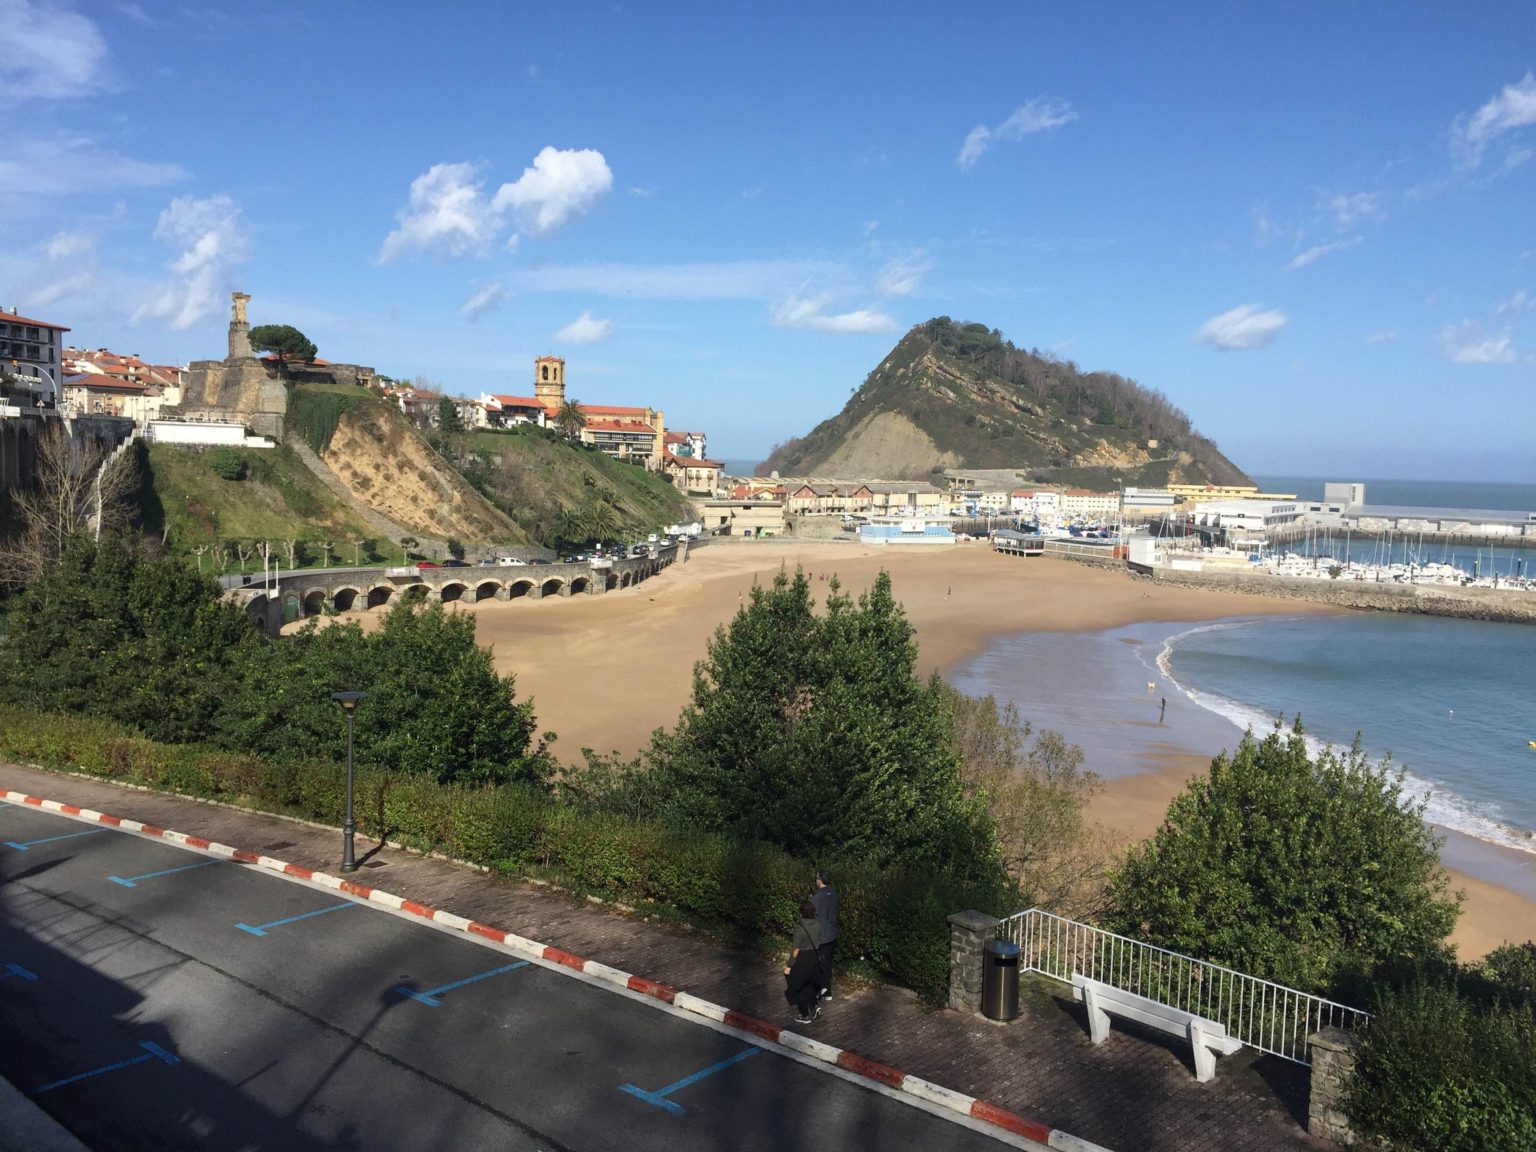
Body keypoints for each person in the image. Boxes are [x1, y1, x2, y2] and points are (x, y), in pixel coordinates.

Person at [783, 898, 822, 1023]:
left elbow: (795, 950)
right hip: (814, 958)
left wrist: (789, 965)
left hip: (802, 959)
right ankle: (815, 1006)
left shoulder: (800, 928)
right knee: (809, 984)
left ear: (801, 913)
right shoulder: (818, 925)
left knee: (797, 986)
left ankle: (804, 1014)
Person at [812, 869, 840, 1002]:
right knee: (827, 963)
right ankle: (828, 991)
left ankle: (819, 990)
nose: (816, 881)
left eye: (817, 878)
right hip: (832, 933)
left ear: (820, 880)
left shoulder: (816, 897)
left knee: (817, 963)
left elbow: (810, 914)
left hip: (820, 936)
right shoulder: (834, 894)